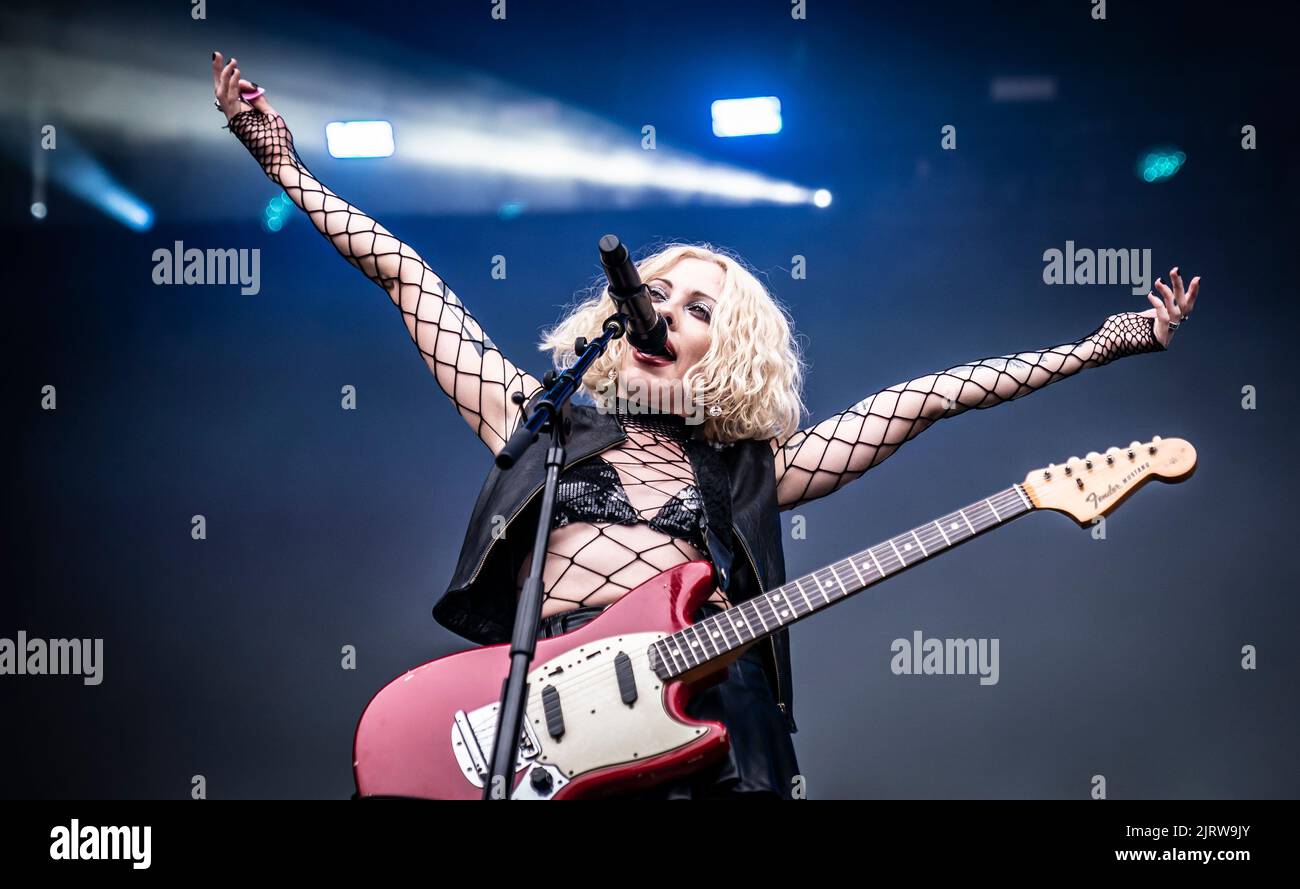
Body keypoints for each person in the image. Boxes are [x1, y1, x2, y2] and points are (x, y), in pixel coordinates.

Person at [210, 52, 1201, 799]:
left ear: (721, 358)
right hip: (530, 718)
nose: (666, 312)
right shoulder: (540, 420)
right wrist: (284, 164)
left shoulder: (746, 469)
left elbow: (925, 397)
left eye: (698, 313)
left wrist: (1097, 346)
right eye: (660, 292)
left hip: (695, 724)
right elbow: (405, 276)